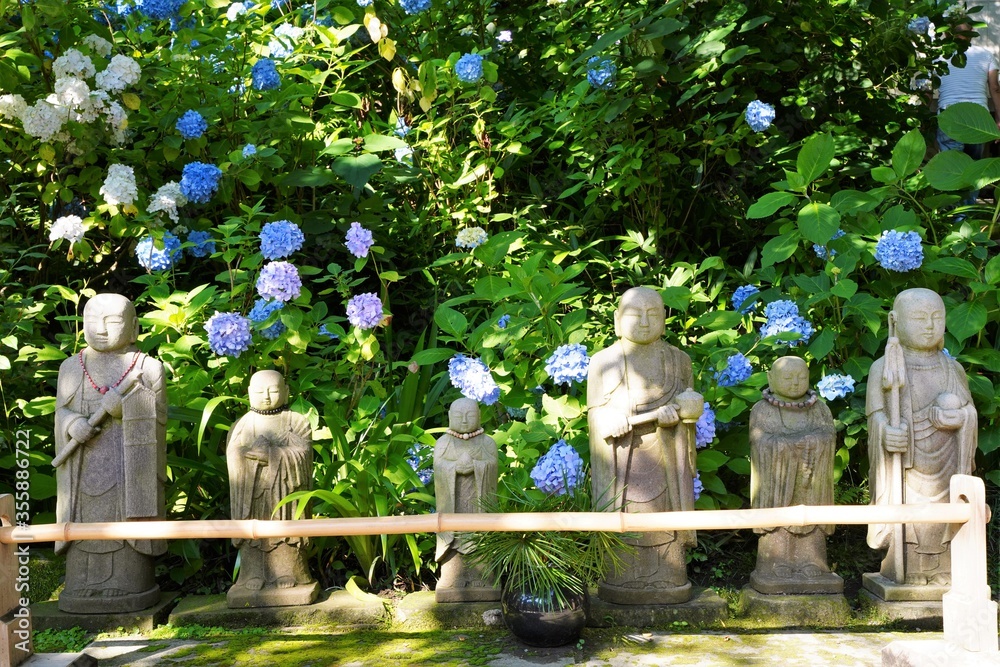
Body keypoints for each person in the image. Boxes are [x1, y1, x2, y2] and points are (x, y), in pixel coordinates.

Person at [587, 286, 702, 605]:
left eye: (654, 314)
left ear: (665, 318)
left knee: (665, 517)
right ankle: (622, 579)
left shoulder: (678, 361)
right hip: (623, 460)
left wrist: (676, 422)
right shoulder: (603, 362)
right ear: (617, 320)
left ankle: (668, 576)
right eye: (635, 314)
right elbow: (596, 414)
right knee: (626, 513)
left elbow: (688, 409)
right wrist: (609, 419)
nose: (645, 322)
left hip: (666, 456)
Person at [54, 293, 166, 613]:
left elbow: (157, 420)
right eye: (92, 321)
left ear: (133, 328)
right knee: (84, 519)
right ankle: (83, 583)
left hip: (128, 465)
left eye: (113, 321)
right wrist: (72, 423)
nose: (101, 329)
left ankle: (129, 582)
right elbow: (60, 412)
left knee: (125, 513)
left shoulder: (148, 368)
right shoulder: (70, 367)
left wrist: (128, 408)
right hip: (83, 464)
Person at [866, 289, 977, 588]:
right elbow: (875, 416)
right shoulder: (884, 369)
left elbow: (968, 410)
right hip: (908, 461)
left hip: (947, 457)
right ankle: (908, 566)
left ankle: (945, 565)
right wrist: (886, 432)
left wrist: (963, 419)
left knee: (945, 505)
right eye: (919, 318)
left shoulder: (952, 368)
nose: (929, 325)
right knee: (909, 508)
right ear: (895, 322)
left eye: (936, 317)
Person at [749, 356, 841, 595]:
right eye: (787, 377)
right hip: (777, 482)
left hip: (811, 478)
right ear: (771, 378)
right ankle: (774, 564)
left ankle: (813, 563)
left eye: (801, 377)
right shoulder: (762, 410)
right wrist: (786, 446)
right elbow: (759, 441)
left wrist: (813, 442)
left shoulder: (819, 408)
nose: (795, 382)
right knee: (778, 523)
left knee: (812, 520)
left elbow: (828, 436)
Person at [227, 370, 318, 607]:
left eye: (274, 390)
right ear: (248, 394)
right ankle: (252, 574)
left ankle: (289, 573)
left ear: (286, 392)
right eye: (259, 392)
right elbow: (233, 453)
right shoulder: (243, 424)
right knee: (253, 535)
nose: (266, 396)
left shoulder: (296, 422)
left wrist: (271, 454)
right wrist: (245, 455)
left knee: (285, 533)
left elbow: (303, 455)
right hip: (252, 490)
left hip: (285, 492)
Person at [434, 398, 500, 602]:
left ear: (479, 417)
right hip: (453, 504)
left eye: (469, 415)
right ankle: (453, 579)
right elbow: (438, 465)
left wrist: (477, 467)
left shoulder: (487, 442)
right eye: (458, 416)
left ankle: (484, 579)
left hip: (478, 502)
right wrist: (453, 468)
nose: (464, 420)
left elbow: (492, 465)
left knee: (480, 538)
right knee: (455, 538)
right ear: (449, 417)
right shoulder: (443, 443)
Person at [935, 23, 1000, 205]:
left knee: (951, 168)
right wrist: (998, 120)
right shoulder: (986, 55)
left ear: (947, 34)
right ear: (972, 33)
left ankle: (953, 216)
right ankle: (966, 214)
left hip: (950, 116)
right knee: (975, 168)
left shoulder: (939, 56)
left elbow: (927, 88)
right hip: (978, 119)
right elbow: (995, 88)